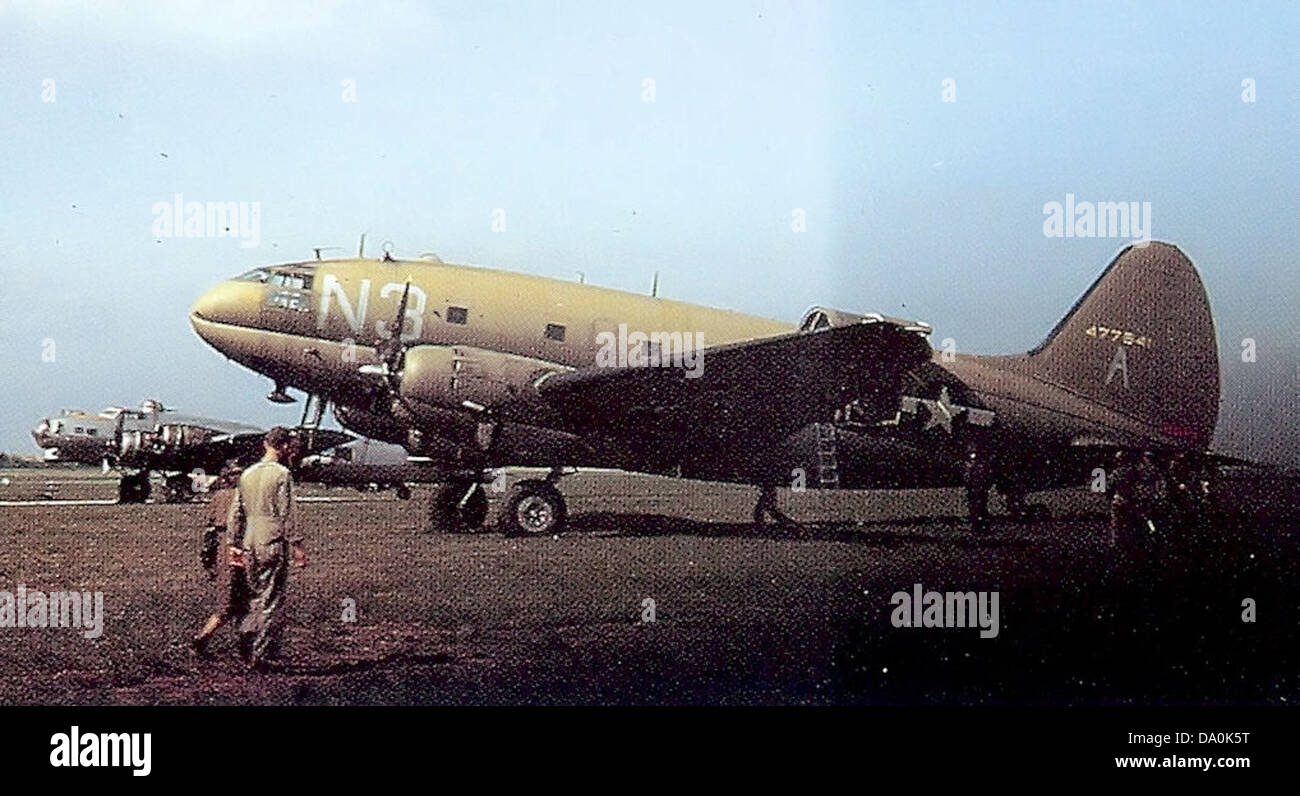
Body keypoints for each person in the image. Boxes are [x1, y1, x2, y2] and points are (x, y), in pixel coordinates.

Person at [226, 427, 305, 668]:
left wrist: (233, 542)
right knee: (271, 599)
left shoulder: (247, 474)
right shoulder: (281, 474)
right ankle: (262, 654)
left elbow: (236, 512)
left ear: (265, 444)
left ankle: (246, 644)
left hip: (249, 542)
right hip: (271, 541)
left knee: (253, 597)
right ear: (282, 447)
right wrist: (297, 545)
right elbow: (287, 514)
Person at [192, 461, 248, 655]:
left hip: (222, 549)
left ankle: (244, 645)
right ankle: (202, 638)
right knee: (236, 600)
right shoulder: (243, 497)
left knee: (235, 600)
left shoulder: (217, 496)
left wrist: (208, 558)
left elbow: (209, 531)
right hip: (237, 547)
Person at [964, 445, 994, 533]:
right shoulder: (970, 465)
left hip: (980, 488)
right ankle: (978, 525)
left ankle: (982, 525)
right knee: (975, 507)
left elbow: (986, 477)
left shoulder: (981, 465)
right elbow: (967, 477)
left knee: (980, 506)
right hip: (974, 489)